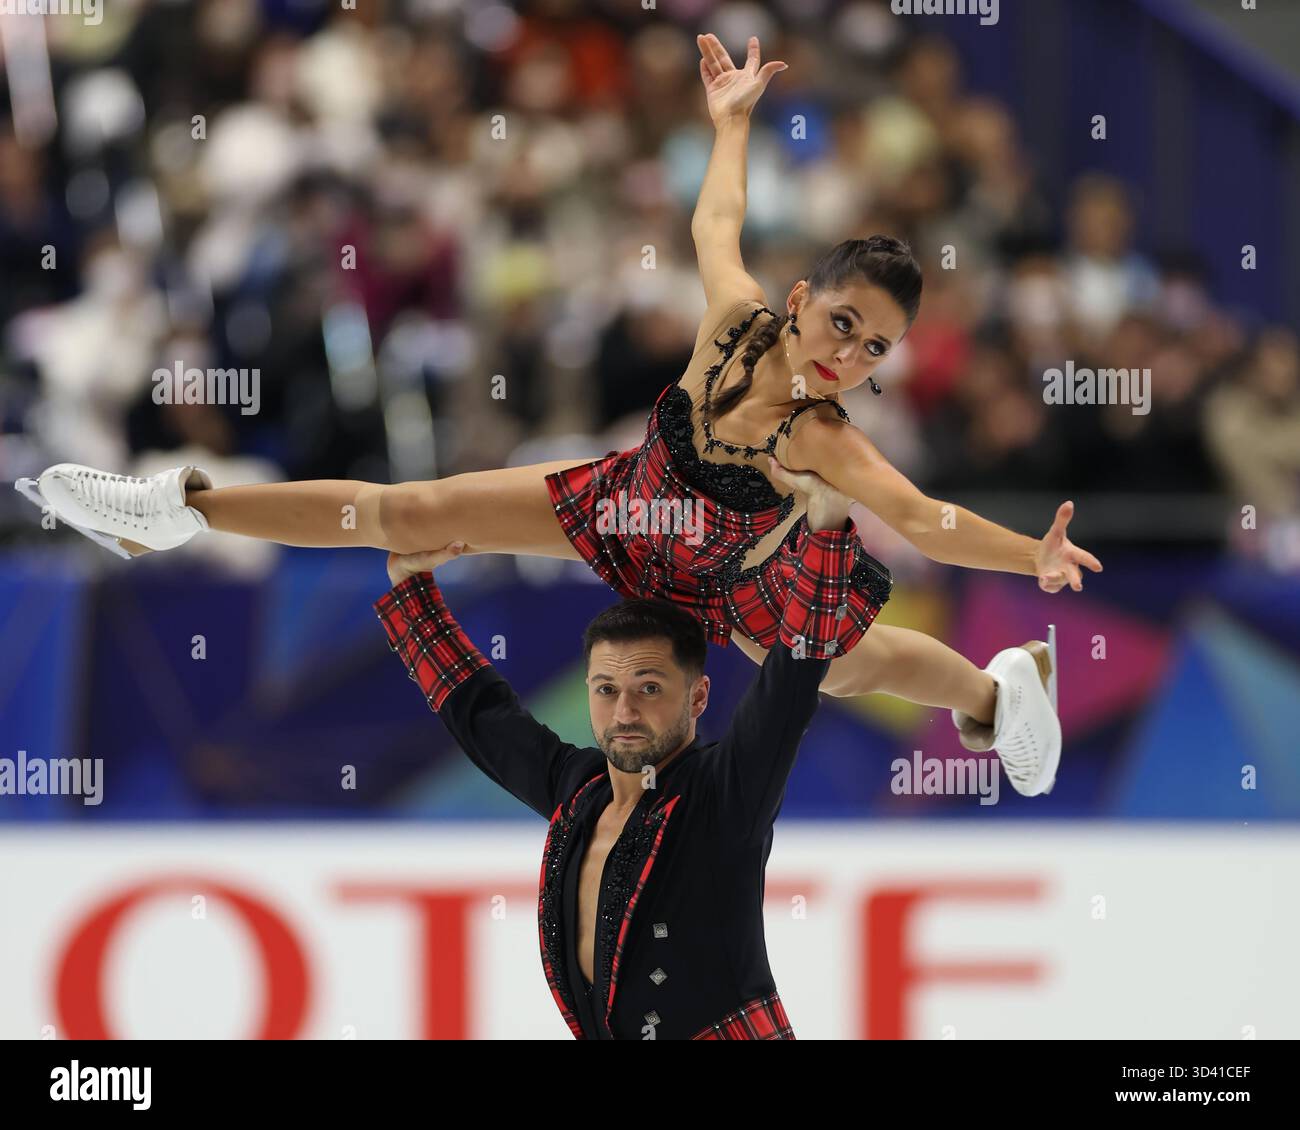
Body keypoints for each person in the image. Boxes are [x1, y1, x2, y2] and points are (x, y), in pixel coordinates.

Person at [18, 34, 1096, 795]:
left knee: (838, 662)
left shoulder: (826, 438)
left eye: (876, 349)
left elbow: (923, 517)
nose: (850, 354)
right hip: (623, 508)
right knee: (414, 507)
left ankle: (999, 691)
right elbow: (717, 221)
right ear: (804, 299)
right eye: (845, 322)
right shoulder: (735, 321)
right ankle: (181, 506)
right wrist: (729, 127)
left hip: (731, 578)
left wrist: (1029, 557)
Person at [374, 463, 1049, 1039]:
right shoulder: (576, 791)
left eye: (648, 688)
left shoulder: (726, 791)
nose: (625, 710)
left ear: (697, 699)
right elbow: (482, 716)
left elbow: (793, 673)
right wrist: (411, 590)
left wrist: (826, 531)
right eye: (606, 689)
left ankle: (997, 690)